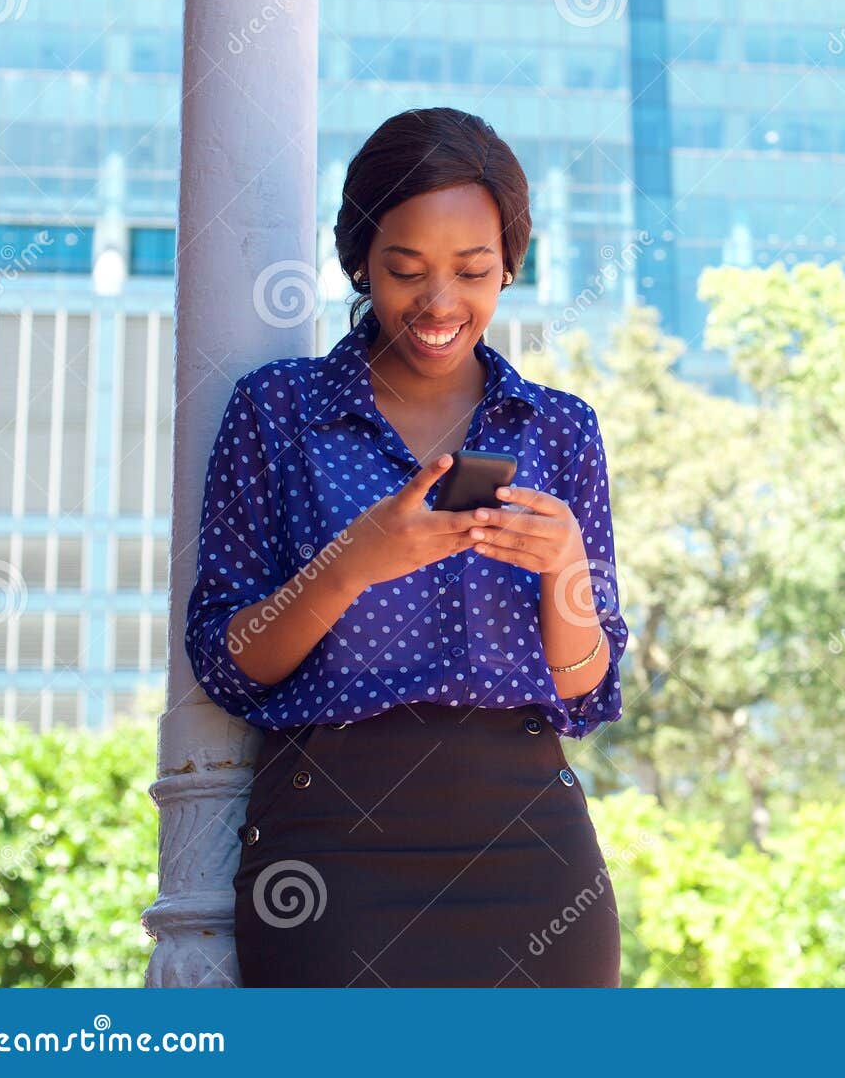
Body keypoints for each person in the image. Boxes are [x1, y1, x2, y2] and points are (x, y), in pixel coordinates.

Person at [183, 107, 627, 988]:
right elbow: (227, 664)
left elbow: (589, 690)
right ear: (358, 262)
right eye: (404, 269)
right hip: (330, 857)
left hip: (532, 848)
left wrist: (566, 569)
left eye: (472, 270)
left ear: (509, 268)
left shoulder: (560, 429)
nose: (439, 302)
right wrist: (357, 559)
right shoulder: (278, 411)